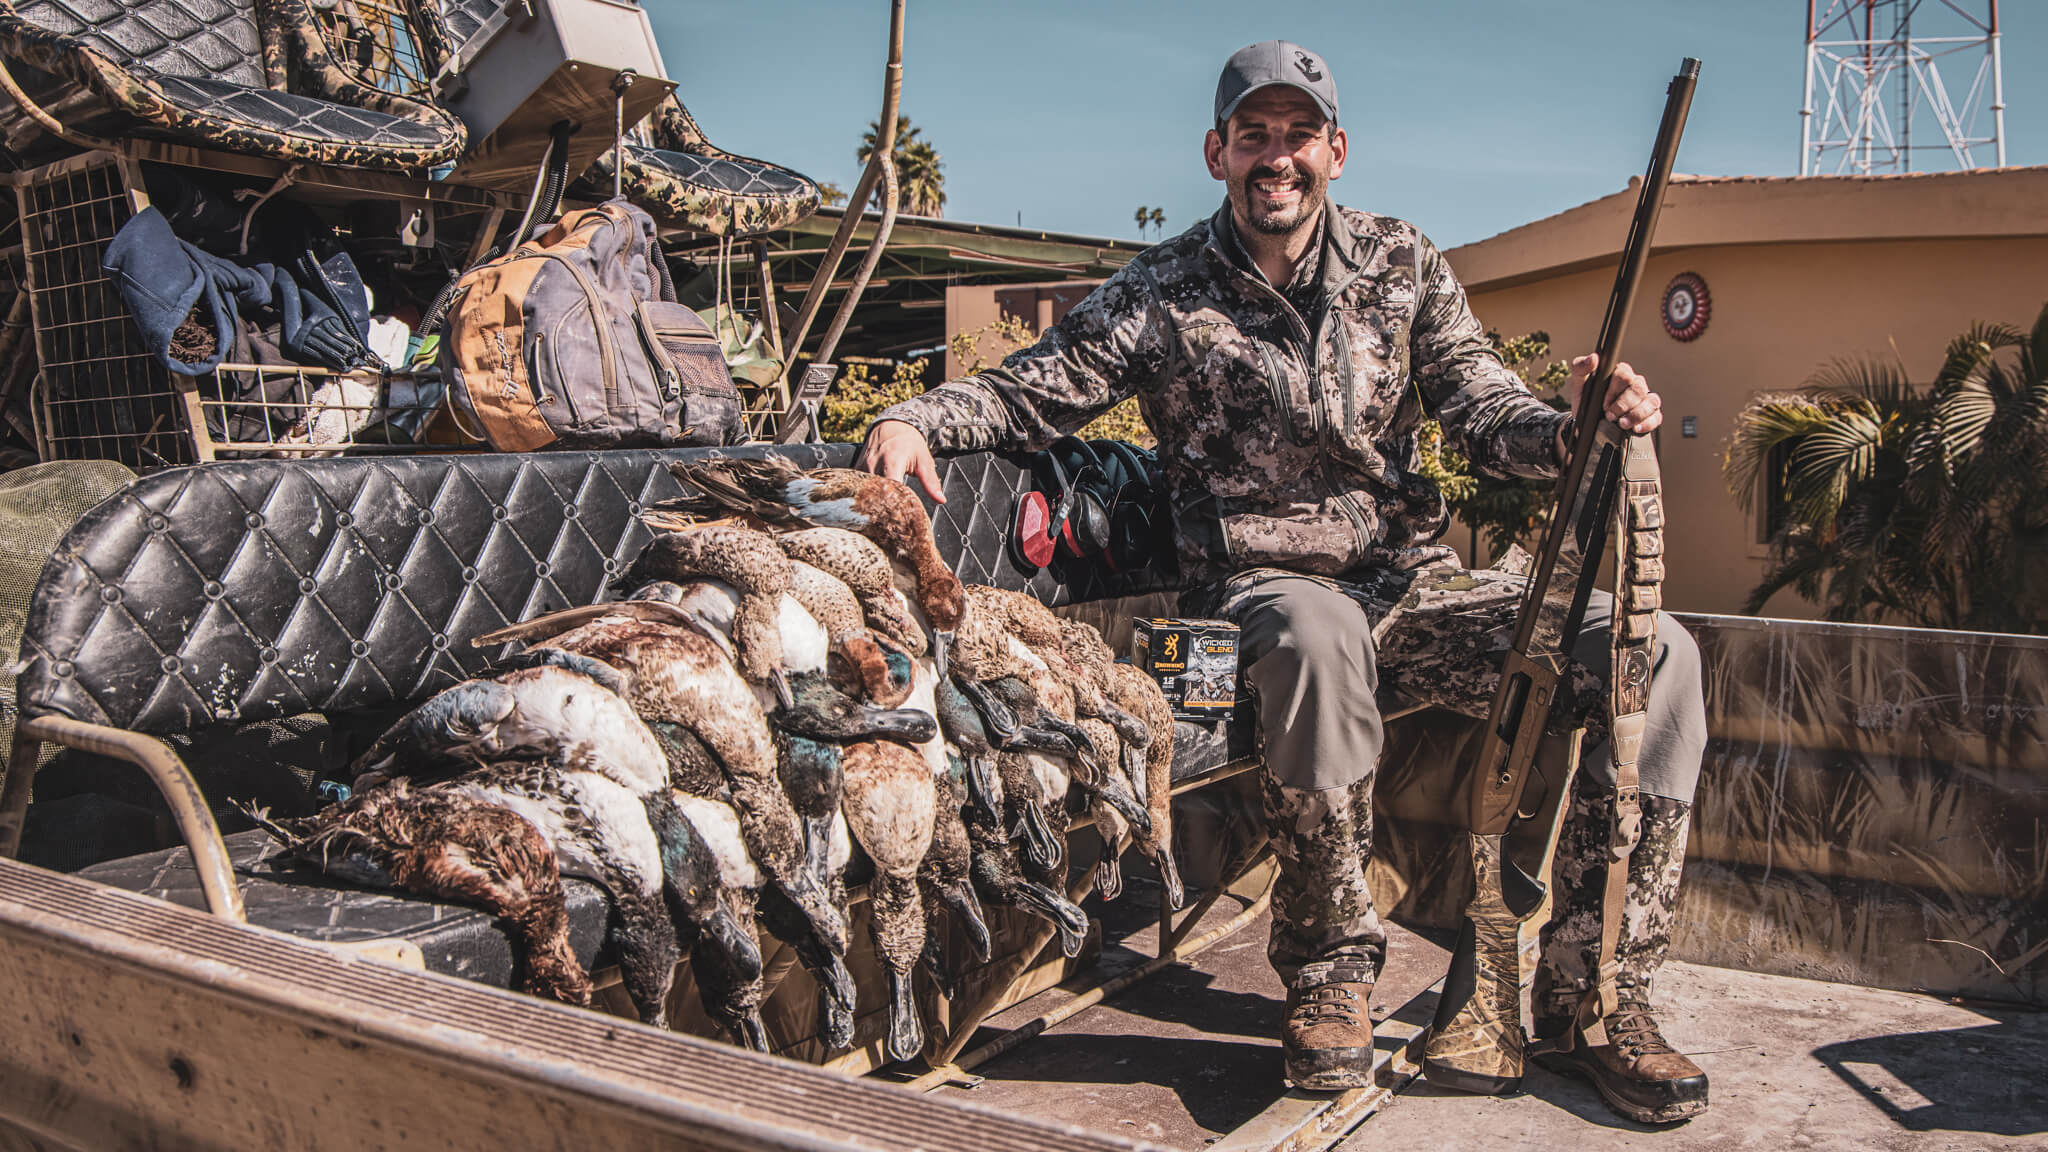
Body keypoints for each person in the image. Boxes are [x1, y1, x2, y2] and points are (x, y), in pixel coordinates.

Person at [862, 40, 1710, 1124]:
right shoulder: (1159, 292)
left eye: (1296, 134)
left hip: (1408, 587)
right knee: (1315, 636)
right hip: (1253, 598)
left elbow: (1486, 410)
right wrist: (914, 417)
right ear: (1216, 152)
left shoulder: (1401, 264)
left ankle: (1596, 997)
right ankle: (1327, 973)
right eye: (1252, 134)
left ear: (1335, 151)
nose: (1276, 156)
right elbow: (1034, 392)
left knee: (1658, 653)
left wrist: (1574, 426)